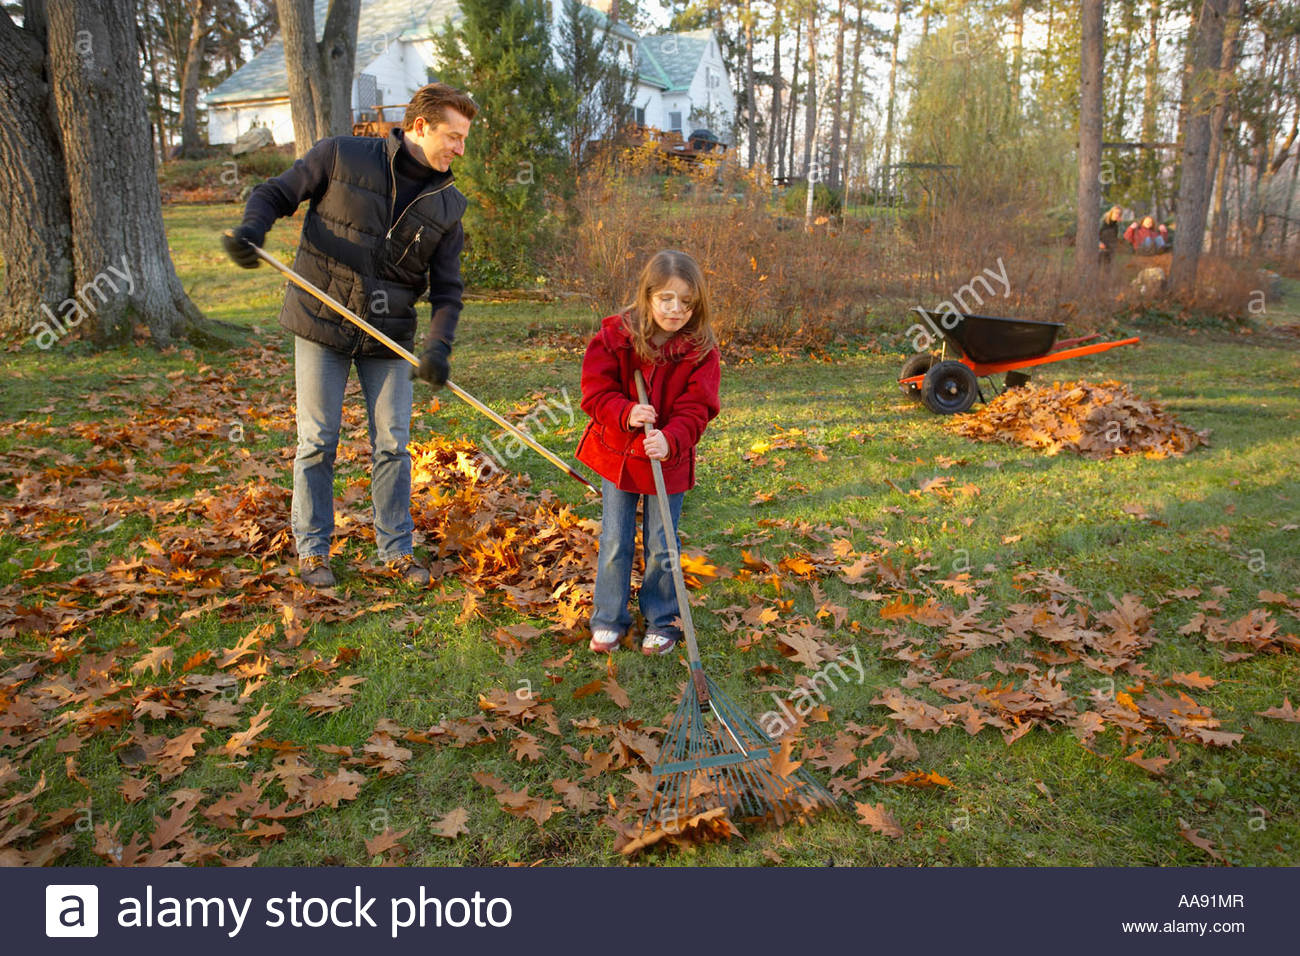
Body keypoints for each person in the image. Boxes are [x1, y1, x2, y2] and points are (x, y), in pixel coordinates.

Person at [222, 83, 477, 589]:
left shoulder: (449, 205)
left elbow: (448, 292)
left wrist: (439, 347)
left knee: (393, 444)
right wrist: (254, 230)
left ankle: (396, 550)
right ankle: (313, 549)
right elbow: (274, 193)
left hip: (389, 334)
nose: (460, 149)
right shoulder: (341, 155)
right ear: (420, 126)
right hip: (321, 317)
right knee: (317, 440)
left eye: (465, 139)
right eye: (453, 136)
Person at [575, 250, 721, 656]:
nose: (676, 310)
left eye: (687, 302)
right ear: (648, 296)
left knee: (662, 543)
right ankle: (608, 618)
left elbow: (699, 408)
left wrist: (671, 438)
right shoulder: (614, 337)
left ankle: (662, 620)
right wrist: (626, 412)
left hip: (666, 461)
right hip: (619, 455)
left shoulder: (701, 350)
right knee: (616, 538)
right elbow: (595, 393)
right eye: (667, 299)